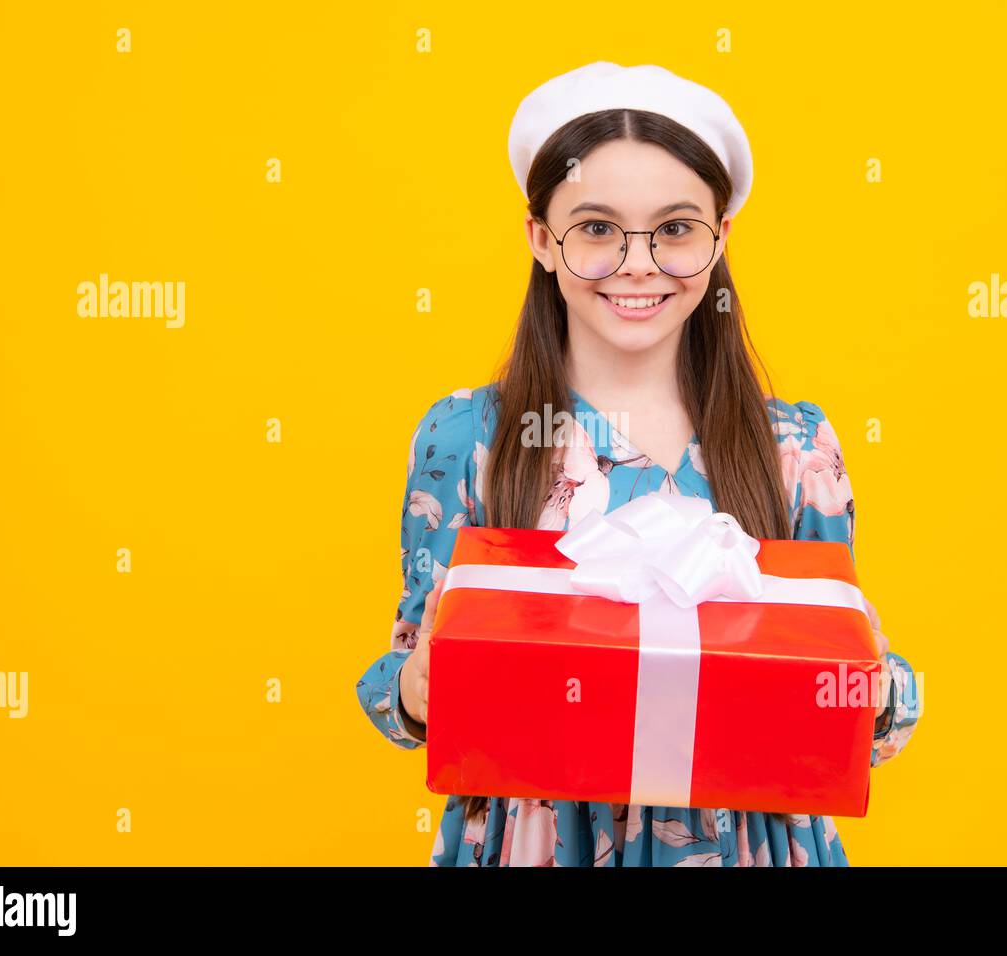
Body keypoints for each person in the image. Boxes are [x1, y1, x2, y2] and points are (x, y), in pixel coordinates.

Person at [356, 61, 921, 866]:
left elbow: (863, 709)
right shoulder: (468, 439)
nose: (637, 263)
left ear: (720, 238)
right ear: (541, 240)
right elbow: (402, 681)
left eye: (676, 228)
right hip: (538, 840)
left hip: (749, 842)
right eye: (596, 229)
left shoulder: (796, 450)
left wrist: (873, 687)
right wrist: (417, 689)